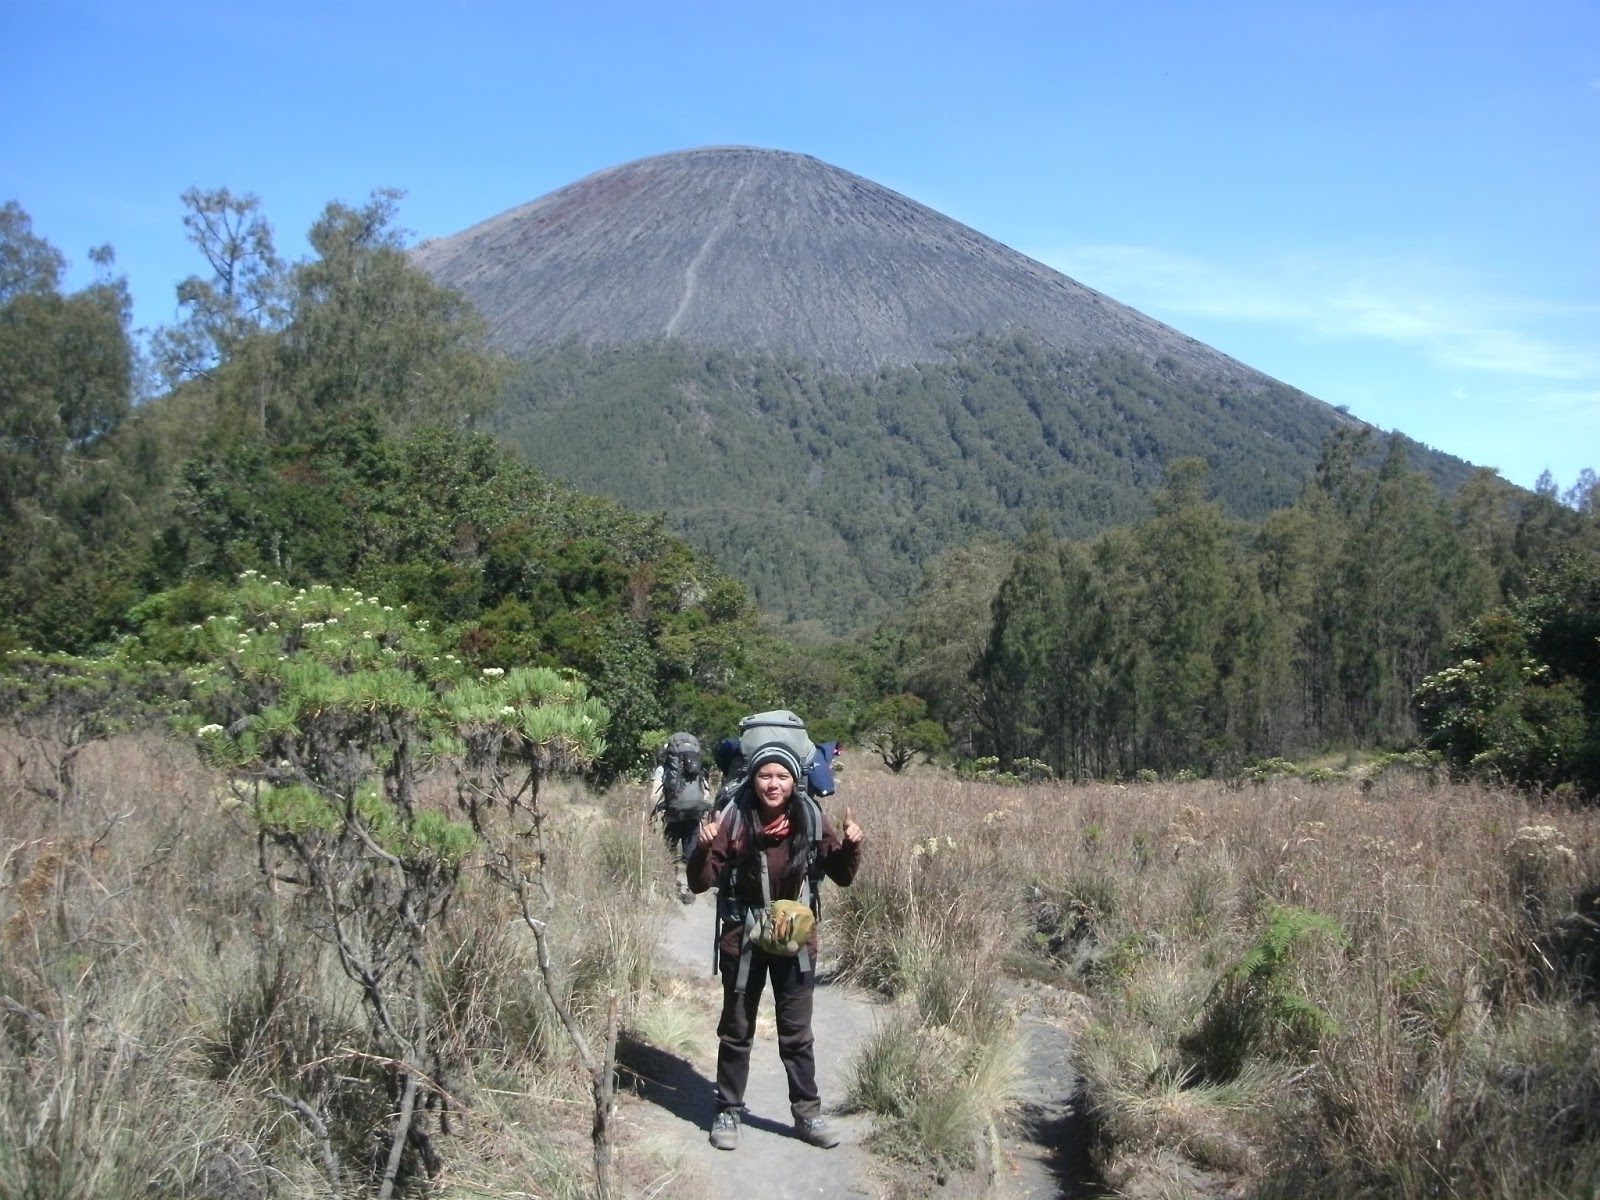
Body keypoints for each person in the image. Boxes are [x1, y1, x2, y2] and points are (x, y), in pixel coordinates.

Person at [686, 742, 864, 1151]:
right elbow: (699, 883)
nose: (773, 784)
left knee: (797, 1034)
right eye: (765, 775)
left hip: (796, 940)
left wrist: (852, 845)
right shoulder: (732, 819)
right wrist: (702, 846)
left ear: (793, 780)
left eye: (782, 776)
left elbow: (841, 875)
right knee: (737, 1030)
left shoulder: (810, 817)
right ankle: (727, 1111)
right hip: (743, 939)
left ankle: (807, 1114)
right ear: (753, 778)